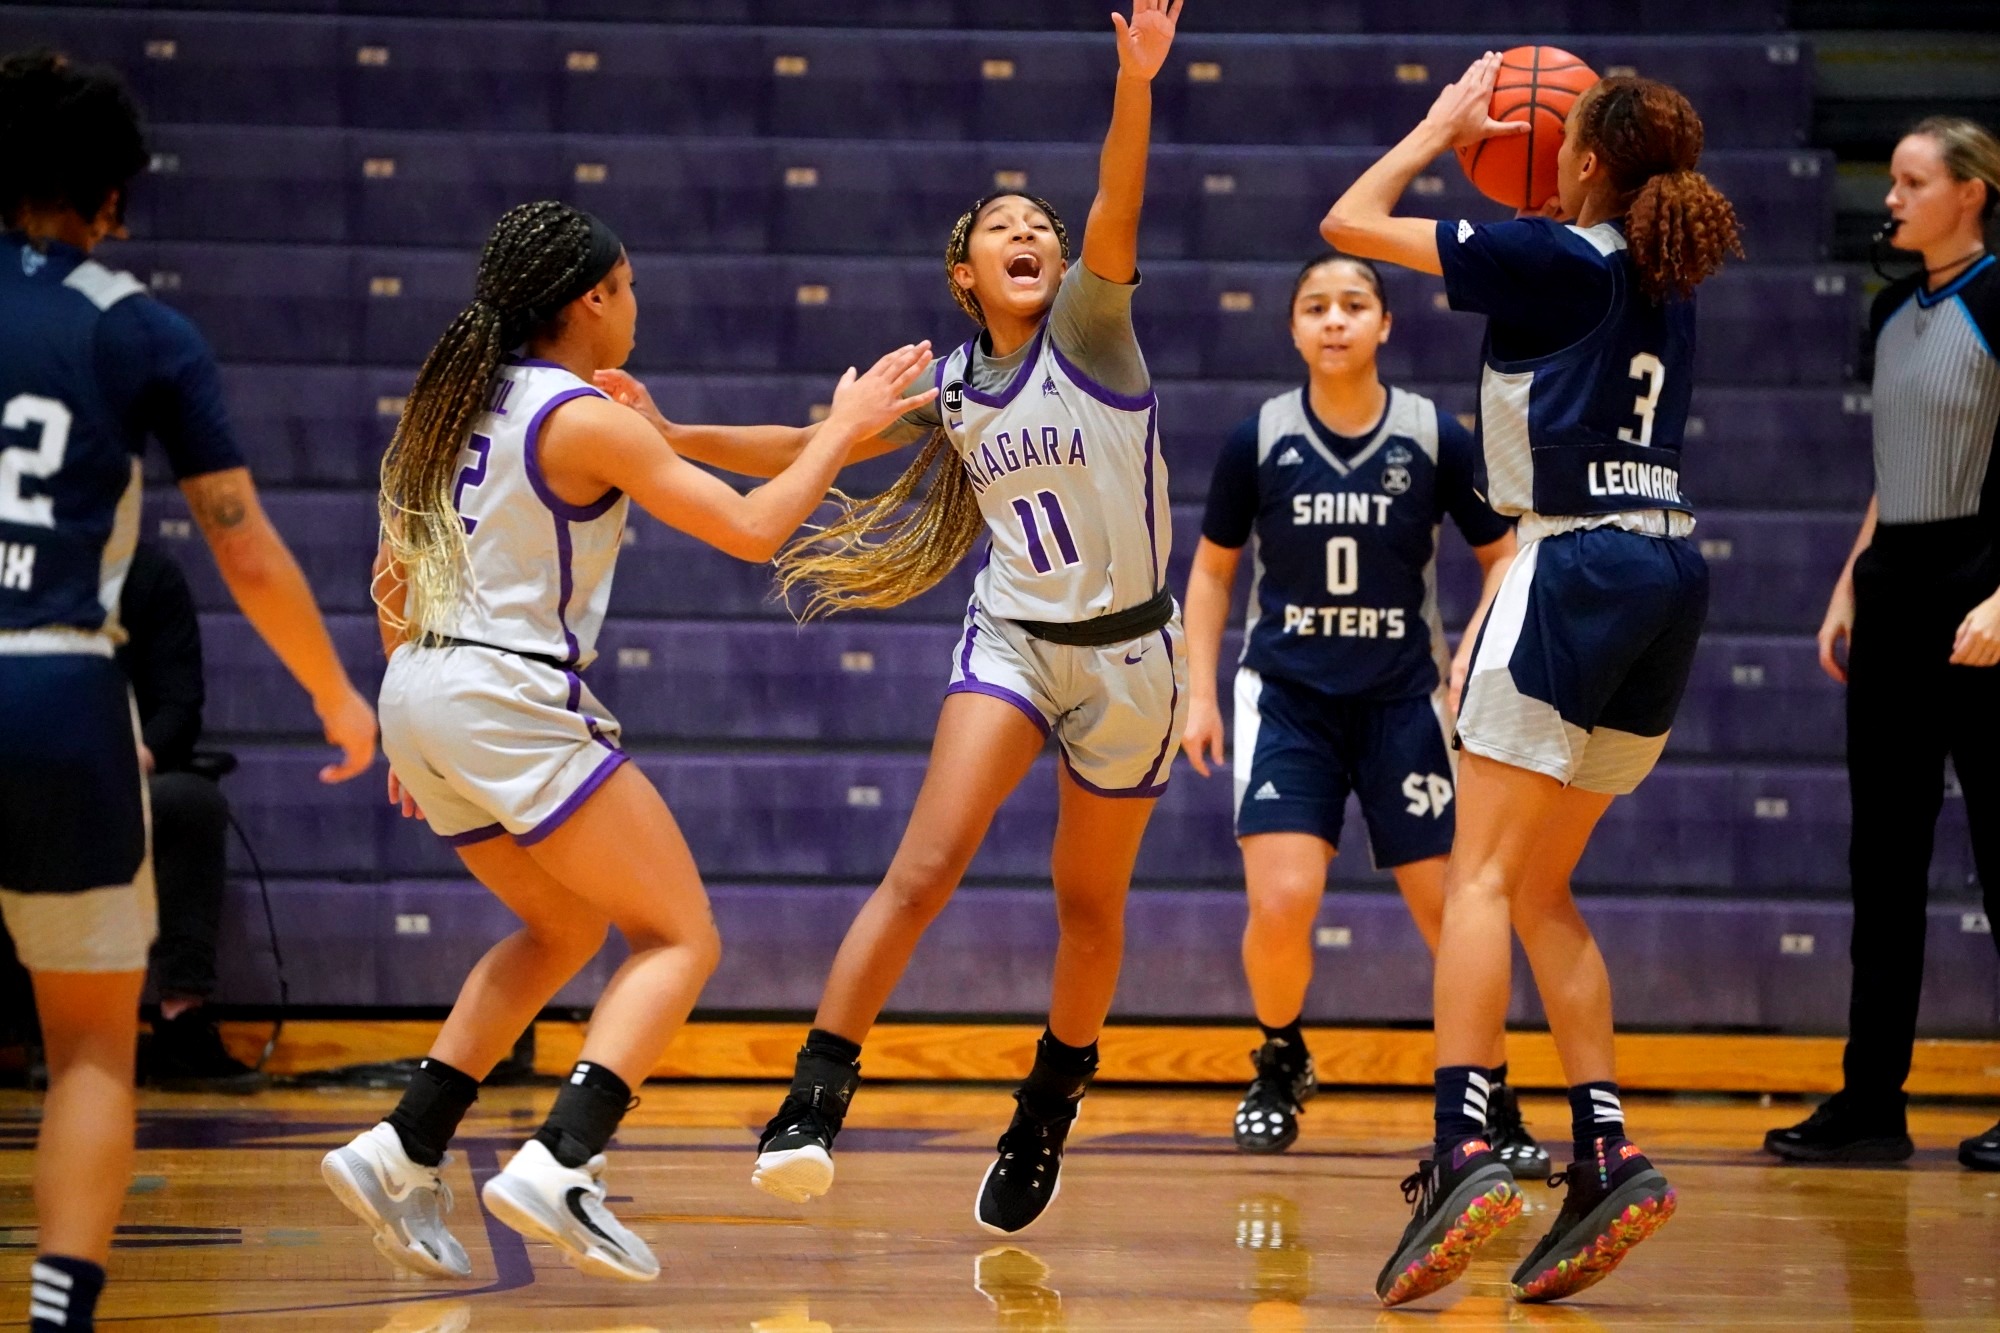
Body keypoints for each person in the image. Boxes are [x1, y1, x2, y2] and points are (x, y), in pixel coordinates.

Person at [320, 199, 934, 1284]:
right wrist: (841, 428)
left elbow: (388, 573)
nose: (638, 302)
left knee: (558, 924)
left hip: (418, 685)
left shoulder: (450, 403)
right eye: (631, 284)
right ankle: (562, 1159)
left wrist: (415, 730)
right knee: (679, 935)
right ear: (590, 298)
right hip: (504, 688)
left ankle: (406, 1140)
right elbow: (750, 529)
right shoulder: (578, 418)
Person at [740, 0, 1186, 1237]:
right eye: (1003, 228)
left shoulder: (1093, 328)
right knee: (923, 865)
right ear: (963, 272)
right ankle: (811, 1099)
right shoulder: (948, 381)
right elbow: (808, 440)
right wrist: (653, 435)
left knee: (1086, 909)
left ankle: (1046, 1106)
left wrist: (1133, 82)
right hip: (1016, 641)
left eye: (1039, 224)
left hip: (1132, 660)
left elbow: (1116, 202)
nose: (1031, 233)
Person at [1321, 56, 1740, 1305]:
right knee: (1544, 884)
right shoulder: (1659, 276)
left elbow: (1344, 223)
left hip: (1571, 561)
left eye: (1554, 144)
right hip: (1668, 572)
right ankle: (1603, 1145)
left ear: (1584, 155)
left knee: (1478, 876)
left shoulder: (1555, 258)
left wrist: (1437, 126)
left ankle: (1462, 1142)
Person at [0, 49, 376, 1333]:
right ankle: (58, 1316)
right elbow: (243, 541)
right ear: (113, 197)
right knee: (93, 1048)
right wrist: (337, 693)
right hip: (56, 694)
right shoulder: (140, 327)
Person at [1180, 251, 1530, 1166]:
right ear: (1294, 328)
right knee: (1285, 898)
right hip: (1288, 698)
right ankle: (1280, 1050)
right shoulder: (1256, 439)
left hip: (1404, 699)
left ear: (1385, 325)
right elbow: (1212, 572)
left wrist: (1473, 665)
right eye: (1315, 306)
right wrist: (1199, 693)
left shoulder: (1435, 436)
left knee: (1451, 911)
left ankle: (1493, 1095)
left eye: (1354, 304)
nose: (1334, 319)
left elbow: (1504, 558)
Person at [1764, 116, 2000, 1175]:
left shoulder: (1999, 298)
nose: (1890, 197)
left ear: (1971, 193)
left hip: (1979, 588)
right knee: (1882, 858)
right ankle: (1870, 1102)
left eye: (1912, 181)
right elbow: (1897, 458)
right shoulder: (1888, 306)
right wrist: (1844, 582)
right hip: (1893, 583)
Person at [111, 541, 267, 1094]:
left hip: (124, 777)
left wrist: (131, 761)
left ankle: (181, 1019)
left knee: (193, 803)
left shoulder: (149, 575)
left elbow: (179, 704)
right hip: (23, 776)